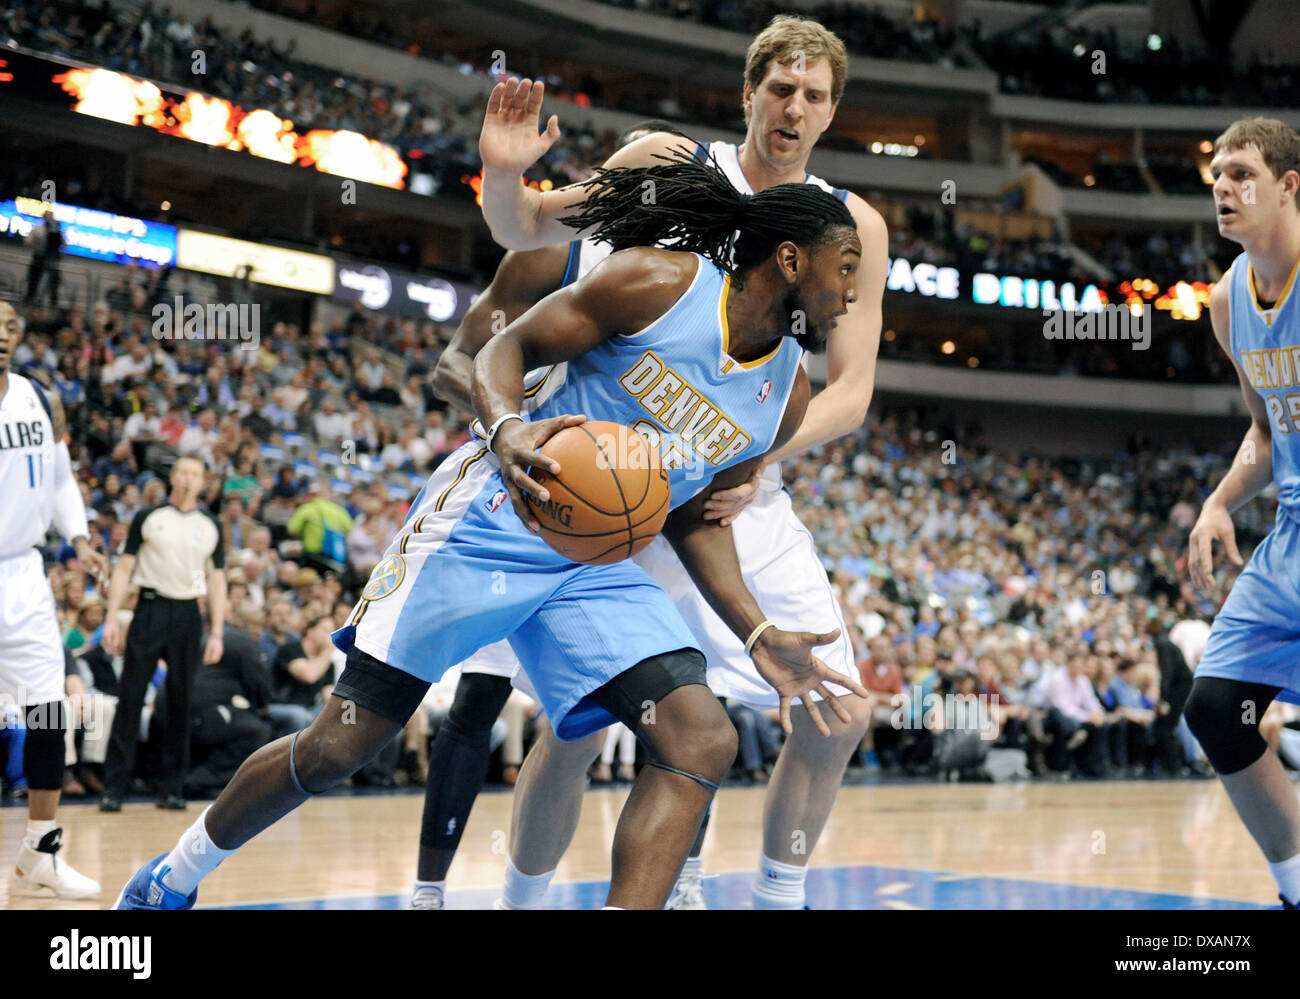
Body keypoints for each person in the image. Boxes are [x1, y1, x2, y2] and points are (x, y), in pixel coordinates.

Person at [113, 155, 869, 911]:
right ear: (790, 260)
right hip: (494, 518)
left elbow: (690, 513)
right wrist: (507, 429)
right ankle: (171, 877)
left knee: (699, 736)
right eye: (846, 268)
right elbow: (506, 350)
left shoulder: (785, 396)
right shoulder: (661, 285)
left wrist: (756, 629)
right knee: (339, 743)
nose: (854, 292)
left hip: (593, 562)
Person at [437, 13, 887, 911]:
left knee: (839, 709)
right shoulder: (664, 165)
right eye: (781, 89)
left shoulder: (852, 226)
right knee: (578, 729)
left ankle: (778, 897)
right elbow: (525, 226)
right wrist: (503, 173)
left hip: (731, 494)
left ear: (833, 111)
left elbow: (852, 389)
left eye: (814, 95)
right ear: (749, 94)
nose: (794, 108)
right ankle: (524, 900)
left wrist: (752, 452)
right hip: (613, 471)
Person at [1183, 117, 1300, 910]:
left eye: (1243, 173)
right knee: (1218, 709)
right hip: (1289, 535)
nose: (1224, 187)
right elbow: (1265, 430)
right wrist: (1219, 501)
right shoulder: (1228, 300)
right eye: (1218, 175)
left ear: (1289, 185)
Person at [0, 299, 107, 898]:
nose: (2, 334)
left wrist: (81, 539)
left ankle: (40, 852)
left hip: (23, 573)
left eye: (9, 326)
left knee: (47, 710)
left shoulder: (38, 398)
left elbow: (61, 477)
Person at [100, 453, 227, 811]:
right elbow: (124, 568)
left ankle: (172, 788)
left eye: (195, 474)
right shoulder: (148, 516)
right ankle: (114, 788)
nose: (187, 479)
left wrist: (217, 631)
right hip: (149, 608)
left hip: (188, 613)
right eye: (182, 472)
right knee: (130, 697)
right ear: (172, 477)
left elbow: (217, 579)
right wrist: (112, 617)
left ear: (202, 482)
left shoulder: (210, 524)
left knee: (180, 702)